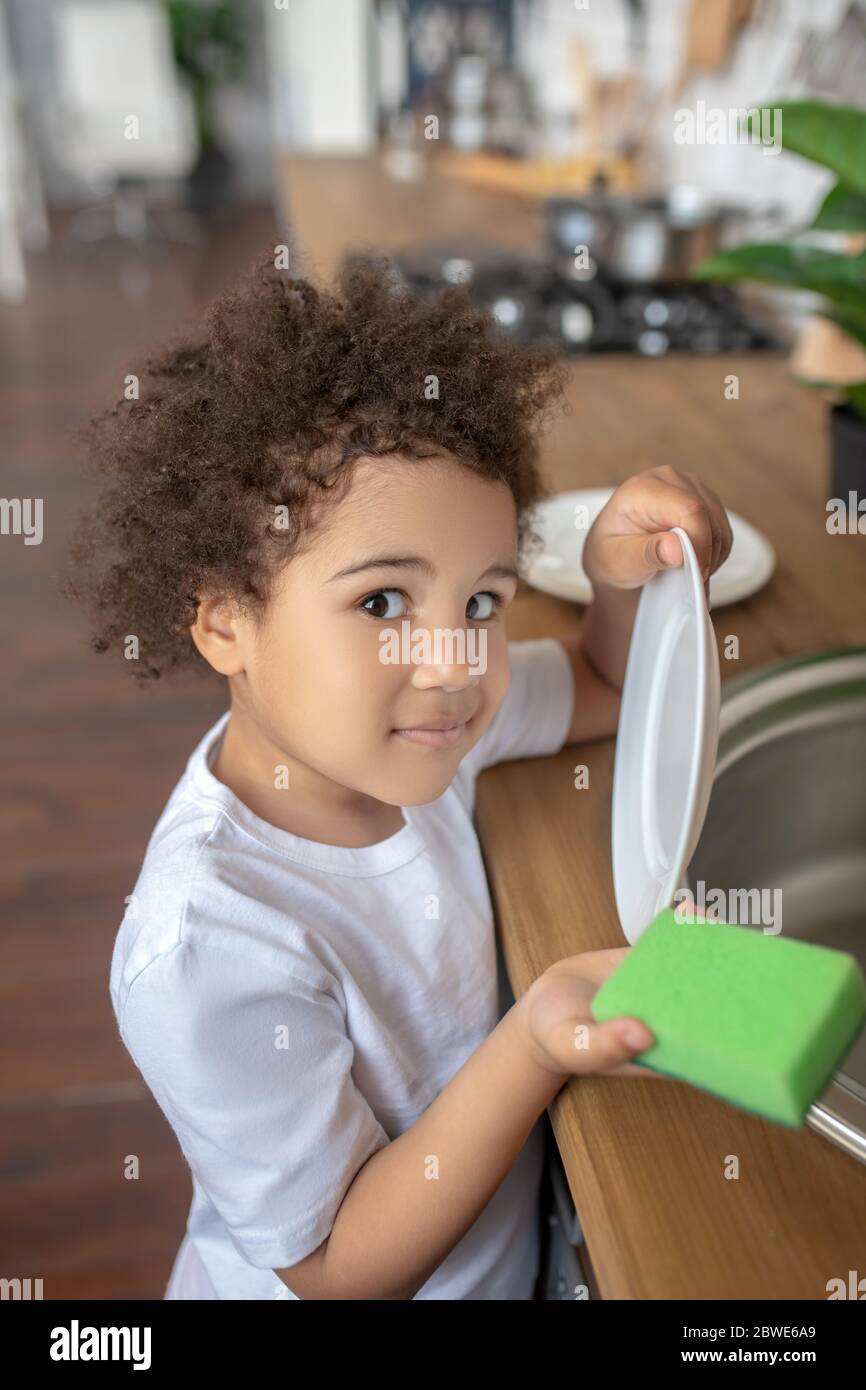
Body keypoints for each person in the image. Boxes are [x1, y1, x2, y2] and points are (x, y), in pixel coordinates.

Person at [64, 253, 732, 1300]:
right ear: (224, 621)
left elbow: (603, 680)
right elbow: (331, 1270)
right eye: (381, 603)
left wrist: (615, 575)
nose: (454, 663)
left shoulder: (422, 730)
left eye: (481, 602)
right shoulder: (207, 949)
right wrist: (531, 1042)